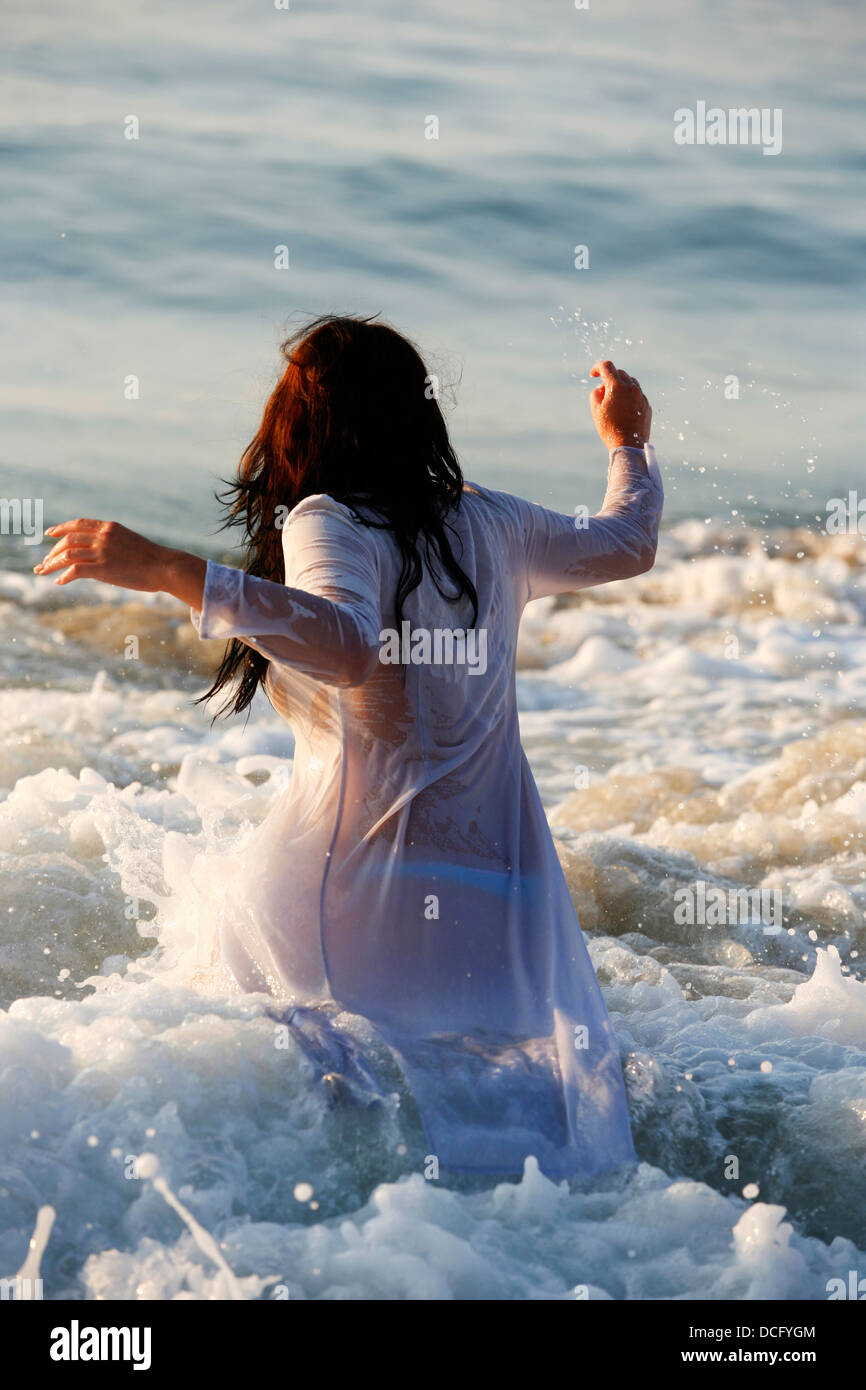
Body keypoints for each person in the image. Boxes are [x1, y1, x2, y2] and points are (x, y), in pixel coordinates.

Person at [34, 316, 663, 1177]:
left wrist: (176, 571)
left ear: (302, 420)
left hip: (343, 888)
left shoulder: (327, 518)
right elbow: (627, 543)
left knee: (334, 1134)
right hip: (490, 889)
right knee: (491, 1140)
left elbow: (345, 644)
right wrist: (628, 442)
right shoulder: (495, 524)